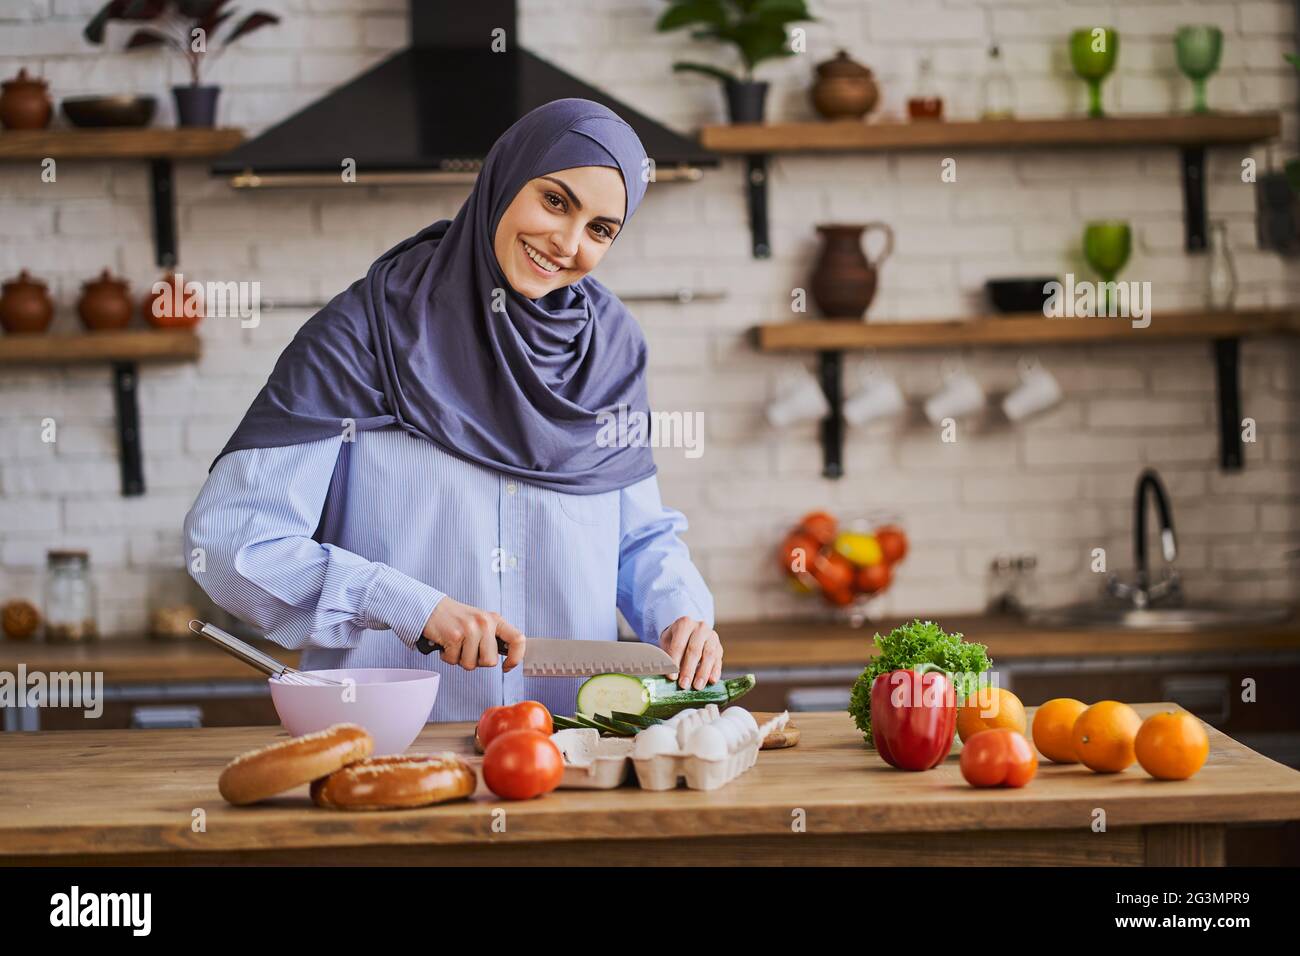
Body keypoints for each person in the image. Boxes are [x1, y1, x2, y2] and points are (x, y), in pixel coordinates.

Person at [183, 98, 720, 721]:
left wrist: (680, 613)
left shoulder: (611, 349)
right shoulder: (362, 334)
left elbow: (639, 537)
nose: (568, 243)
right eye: (555, 201)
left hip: (568, 750)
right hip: (388, 741)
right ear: (505, 178)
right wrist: (406, 603)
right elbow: (230, 545)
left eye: (601, 229)